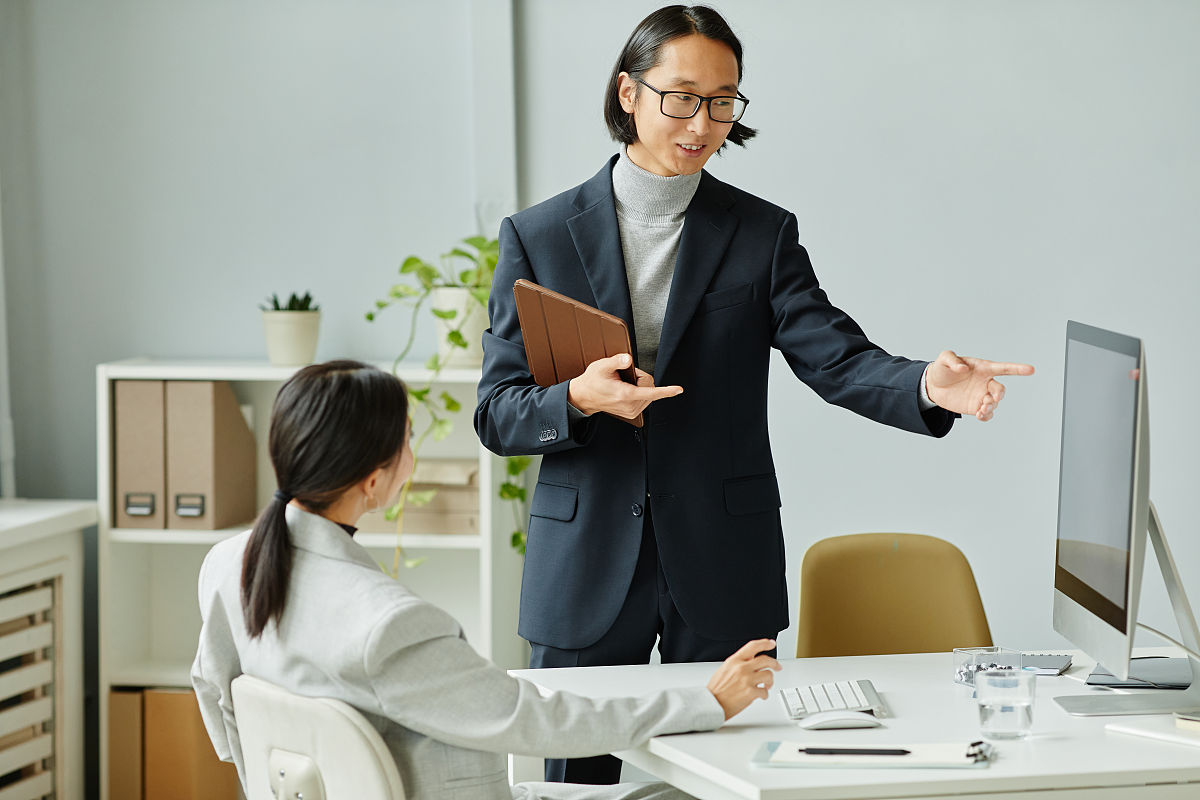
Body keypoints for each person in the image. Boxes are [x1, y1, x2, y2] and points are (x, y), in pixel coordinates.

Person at [473, 4, 1034, 785]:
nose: (702, 121)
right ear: (629, 94)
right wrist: (577, 400)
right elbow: (497, 410)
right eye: (681, 96)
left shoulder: (759, 233)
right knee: (577, 782)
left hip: (721, 559)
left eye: (723, 99)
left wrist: (926, 387)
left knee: (736, 777)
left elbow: (836, 358)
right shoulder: (539, 235)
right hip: (586, 561)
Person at [191, 359, 780, 800]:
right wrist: (703, 701)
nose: (411, 456)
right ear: (374, 481)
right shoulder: (387, 625)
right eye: (406, 441)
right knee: (690, 794)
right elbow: (533, 720)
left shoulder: (228, 565)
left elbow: (213, 690)